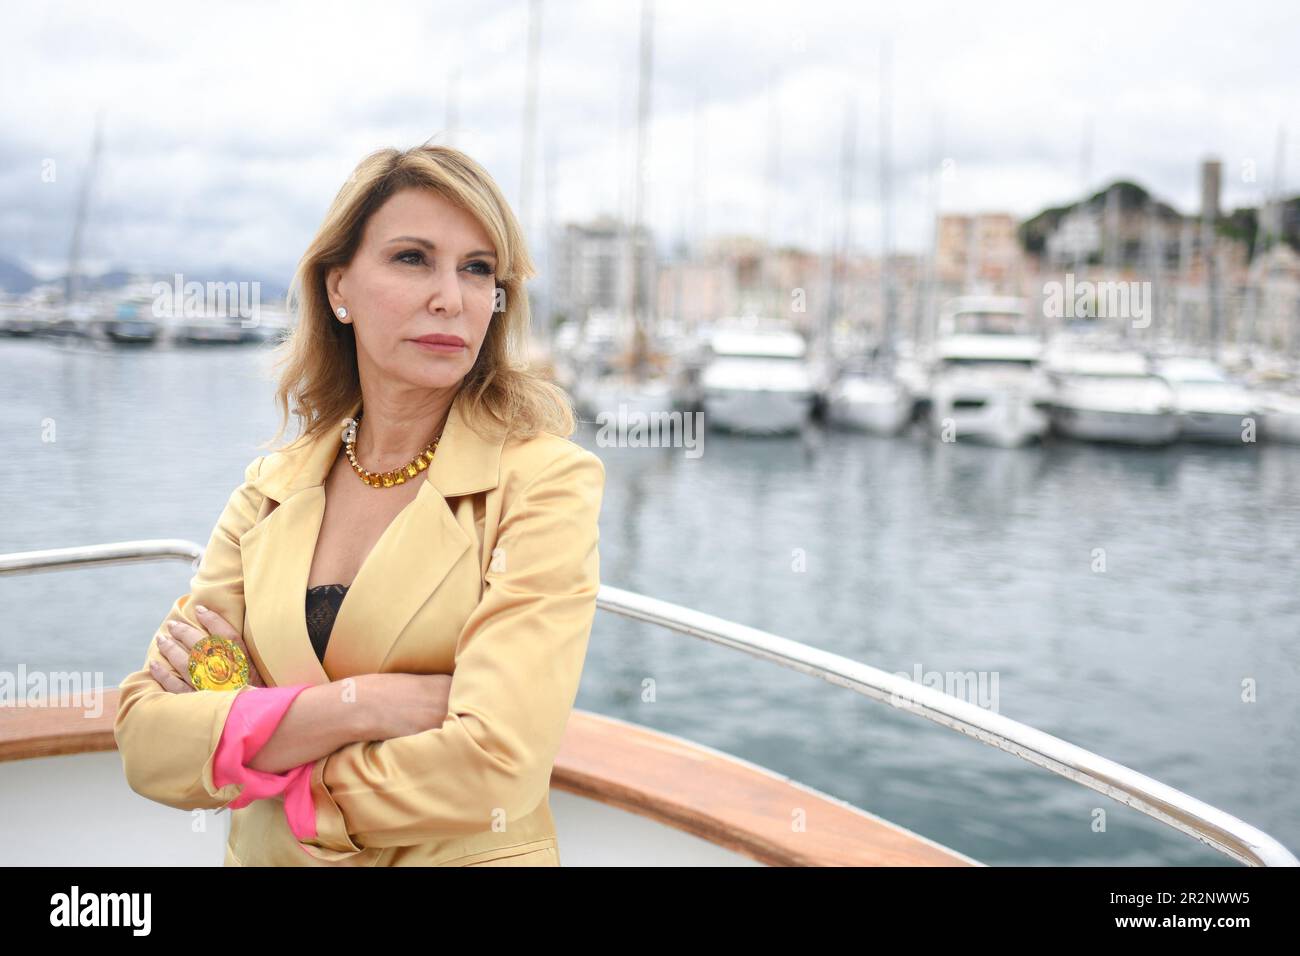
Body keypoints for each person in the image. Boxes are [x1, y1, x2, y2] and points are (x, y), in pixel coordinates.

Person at [113, 143, 605, 866]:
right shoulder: (271, 488)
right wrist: (367, 705)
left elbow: (496, 766)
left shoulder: (544, 482)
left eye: (478, 269)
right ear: (338, 286)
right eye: (413, 258)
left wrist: (264, 756)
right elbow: (148, 740)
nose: (452, 297)